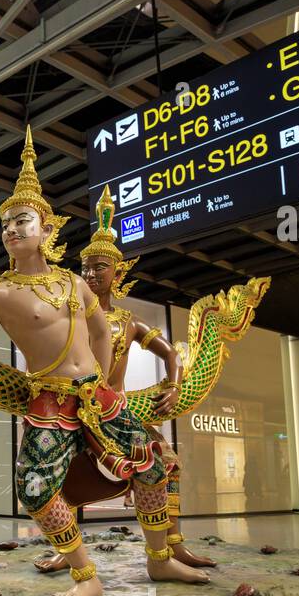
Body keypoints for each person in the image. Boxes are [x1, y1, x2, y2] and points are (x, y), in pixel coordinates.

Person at [0, 127, 208, 596]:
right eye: (5, 224)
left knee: (156, 466)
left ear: (46, 230)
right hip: (49, 401)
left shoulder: (70, 282)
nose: (11, 230)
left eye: (22, 221)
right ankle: (85, 572)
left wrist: (103, 380)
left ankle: (159, 558)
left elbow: (103, 332)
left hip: (98, 395)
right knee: (37, 490)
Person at [36, 186, 215, 572]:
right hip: (71, 406)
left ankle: (171, 546)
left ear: (118, 273)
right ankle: (66, 552)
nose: (91, 273)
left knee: (166, 463)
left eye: (100, 267)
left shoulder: (127, 322)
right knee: (53, 474)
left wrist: (175, 383)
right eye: (86, 268)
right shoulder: (70, 318)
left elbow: (169, 354)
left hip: (115, 410)